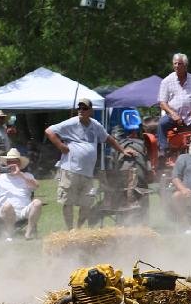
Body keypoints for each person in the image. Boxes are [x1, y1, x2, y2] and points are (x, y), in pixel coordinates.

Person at [45, 98, 137, 230]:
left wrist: (122, 150)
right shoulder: (71, 122)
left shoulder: (95, 125)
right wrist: (60, 145)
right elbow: (49, 131)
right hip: (70, 169)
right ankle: (70, 230)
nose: (81, 111)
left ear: (91, 111)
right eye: (79, 108)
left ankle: (78, 229)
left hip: (87, 173)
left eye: (84, 108)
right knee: (68, 202)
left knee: (87, 203)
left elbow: (108, 138)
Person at [0, 148, 41, 241]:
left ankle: (28, 234)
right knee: (8, 205)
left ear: (19, 164)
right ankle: (9, 235)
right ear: (6, 163)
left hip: (24, 211)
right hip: (6, 211)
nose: (11, 164)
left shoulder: (27, 175)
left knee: (37, 203)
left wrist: (20, 174)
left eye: (14, 162)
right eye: (9, 162)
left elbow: (36, 186)